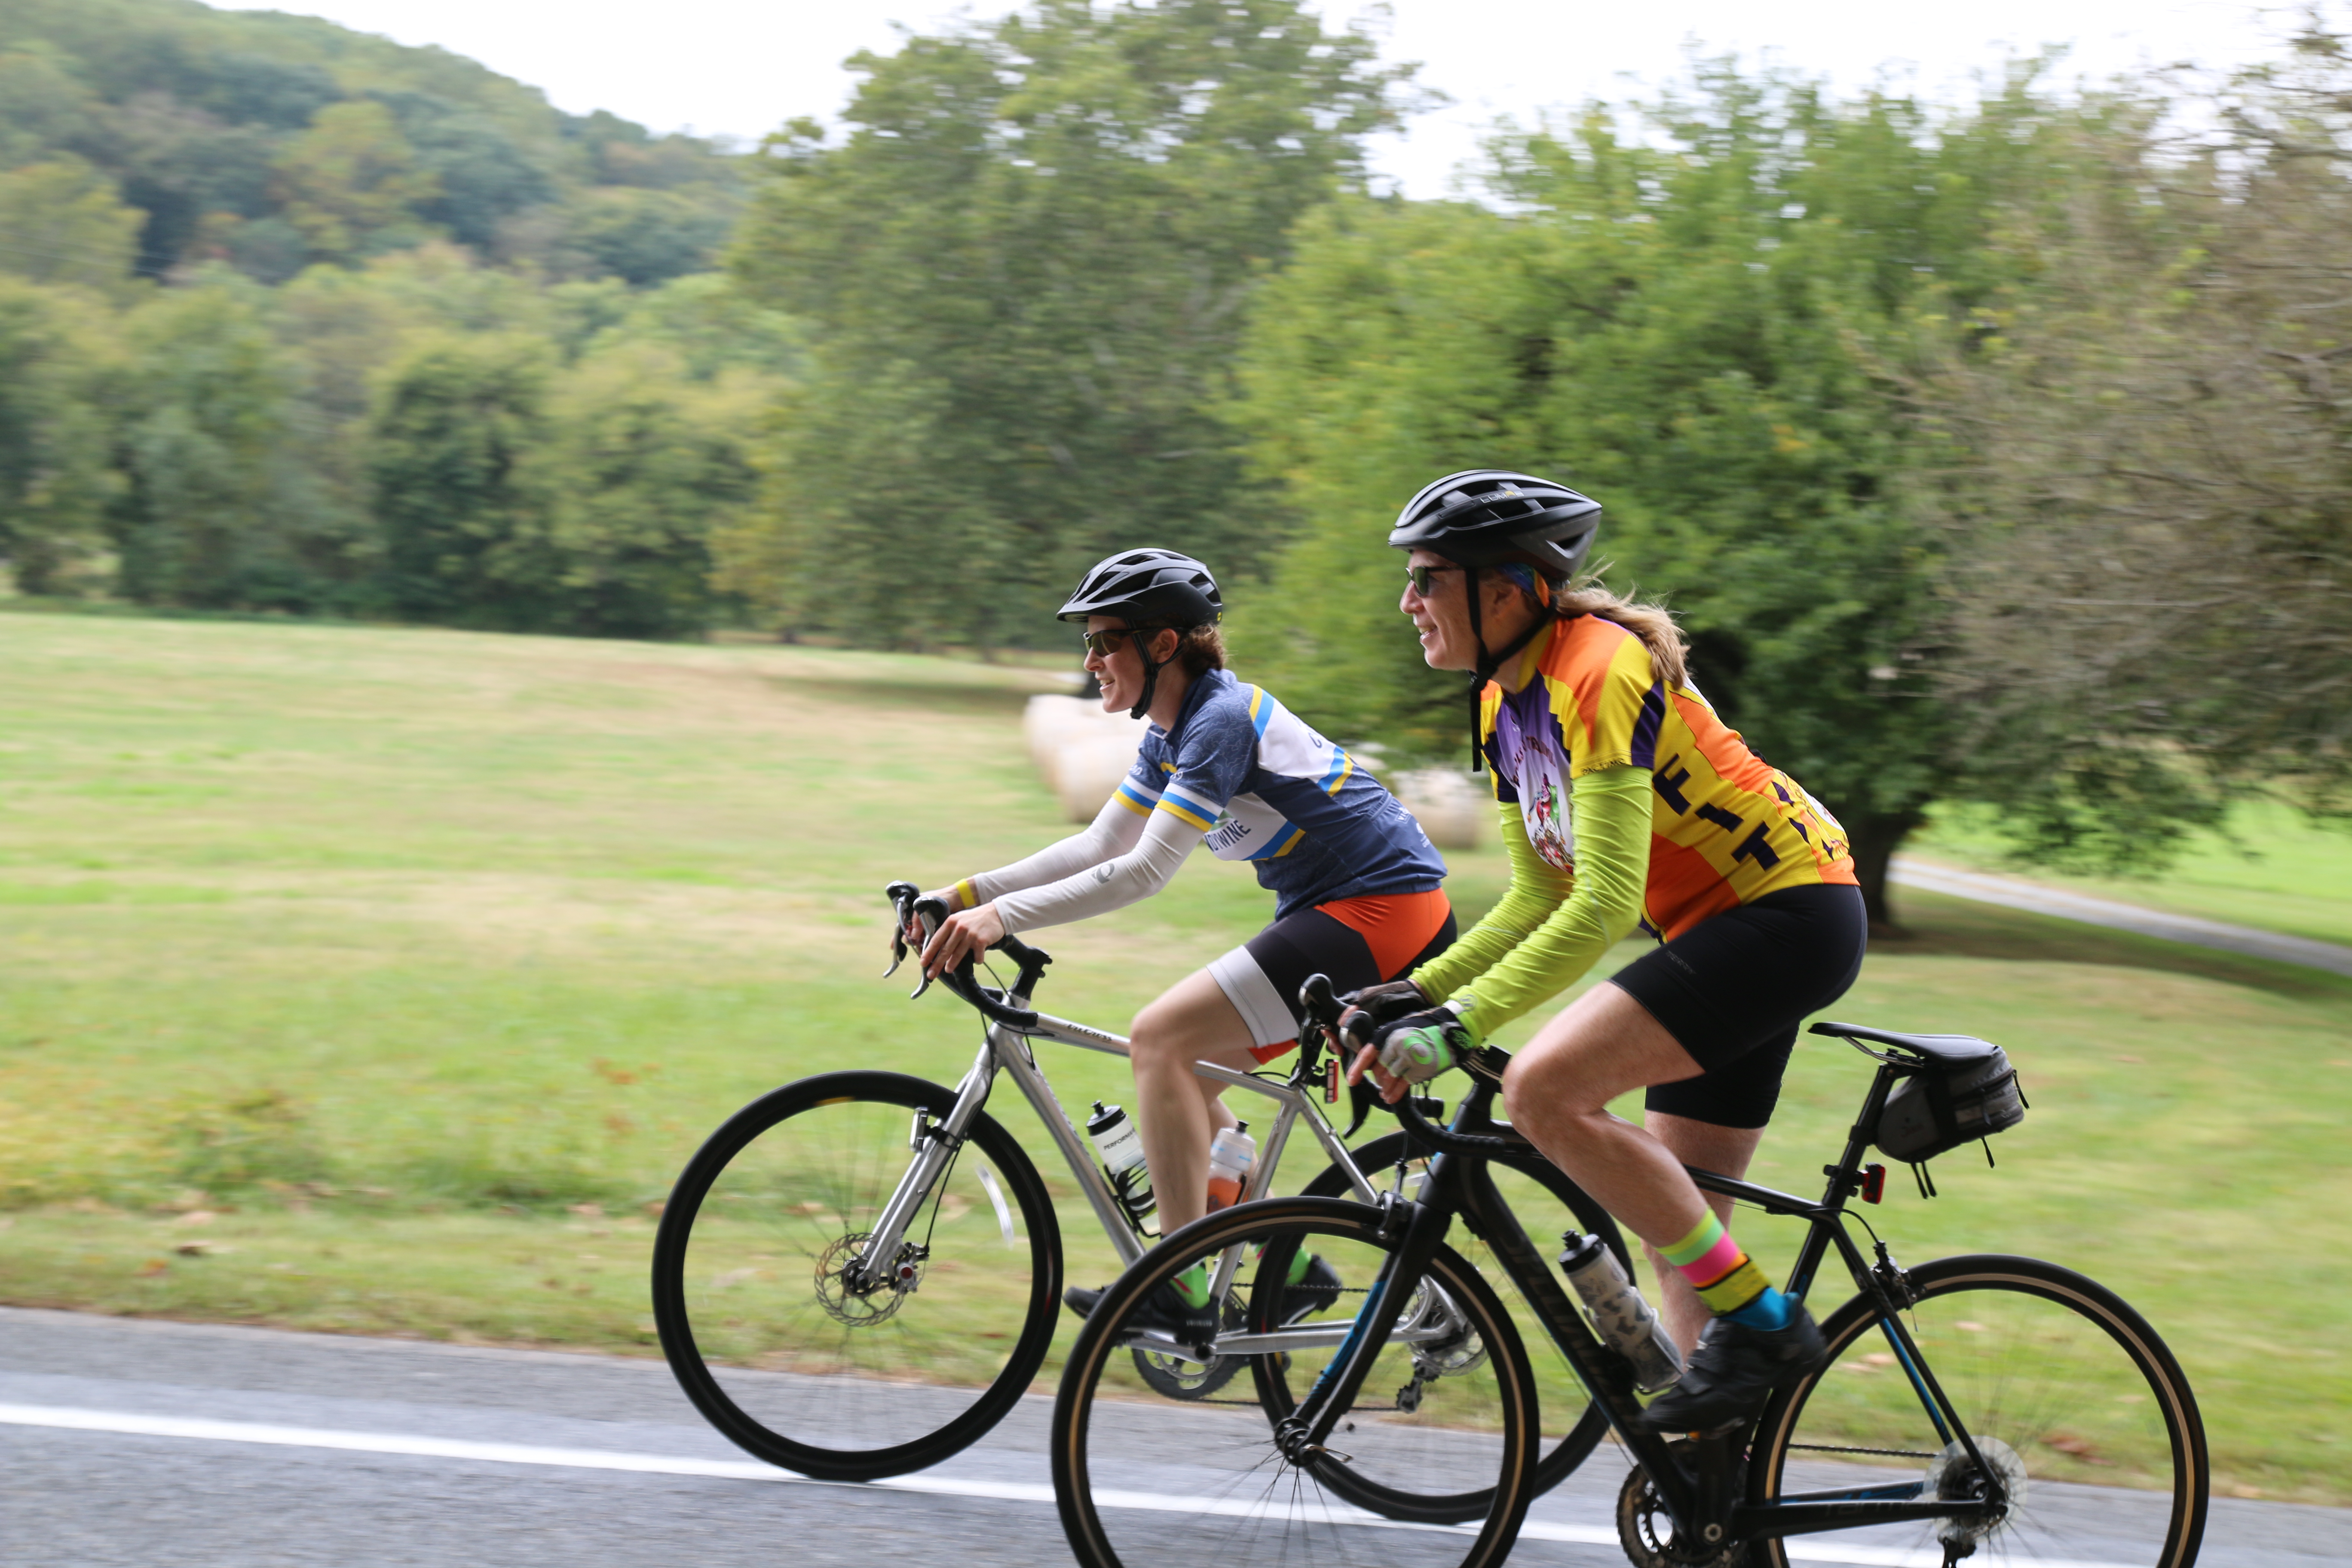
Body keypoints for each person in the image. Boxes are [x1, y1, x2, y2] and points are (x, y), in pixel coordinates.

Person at [1344, 471, 1867, 1435]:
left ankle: (1768, 1323)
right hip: (1730, 931)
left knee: (1540, 1092)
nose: (1409, 601)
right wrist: (1408, 993)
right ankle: (1724, 1505)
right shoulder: (1504, 707)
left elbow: (1605, 903)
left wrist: (1460, 1024)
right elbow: (1537, 894)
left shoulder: (1599, 668)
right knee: (1674, 1226)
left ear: (1502, 589)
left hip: (1788, 913)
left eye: (1427, 578)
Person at [916, 548, 1456, 1338]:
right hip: (1344, 908)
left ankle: (1181, 1282)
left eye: (1106, 642)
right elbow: (1100, 843)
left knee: (1161, 1040)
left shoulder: (1218, 722)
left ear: (1163, 645)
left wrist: (1003, 920)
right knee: (1189, 1081)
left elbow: (1142, 874)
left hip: (1384, 908)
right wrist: (964, 894)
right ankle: (1290, 1268)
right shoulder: (1172, 729)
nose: (1092, 661)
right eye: (1089, 644)